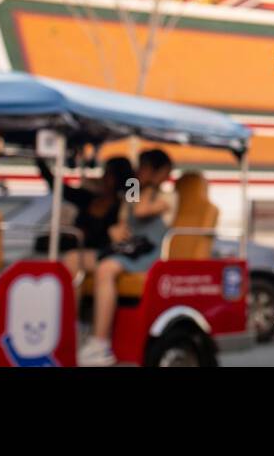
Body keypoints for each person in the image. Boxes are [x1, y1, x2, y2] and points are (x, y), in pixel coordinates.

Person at [78, 148, 176, 366]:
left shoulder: (168, 196)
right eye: (139, 167)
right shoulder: (134, 192)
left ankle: (100, 344)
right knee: (73, 260)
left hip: (149, 254)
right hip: (127, 249)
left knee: (106, 269)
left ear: (161, 172)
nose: (139, 172)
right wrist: (115, 230)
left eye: (145, 168)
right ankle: (76, 325)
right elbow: (124, 221)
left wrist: (149, 185)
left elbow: (141, 211)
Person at [37, 154, 134, 280]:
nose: (104, 177)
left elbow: (114, 238)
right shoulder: (88, 198)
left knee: (71, 259)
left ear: (120, 178)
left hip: (97, 253)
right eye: (105, 173)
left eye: (109, 174)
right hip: (74, 245)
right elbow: (59, 187)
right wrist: (40, 161)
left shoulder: (123, 208)